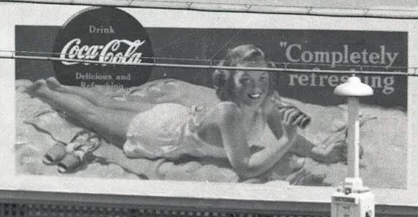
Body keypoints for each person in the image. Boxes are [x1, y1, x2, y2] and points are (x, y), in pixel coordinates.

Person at [26, 44, 345, 182]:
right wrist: (287, 141)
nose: (255, 86)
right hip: (160, 132)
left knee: (111, 103)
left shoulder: (267, 102)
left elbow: (287, 134)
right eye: (245, 79)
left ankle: (62, 86)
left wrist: (319, 151)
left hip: (179, 114)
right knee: (93, 115)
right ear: (230, 84)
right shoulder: (229, 112)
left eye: (261, 78)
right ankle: (45, 91)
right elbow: (247, 167)